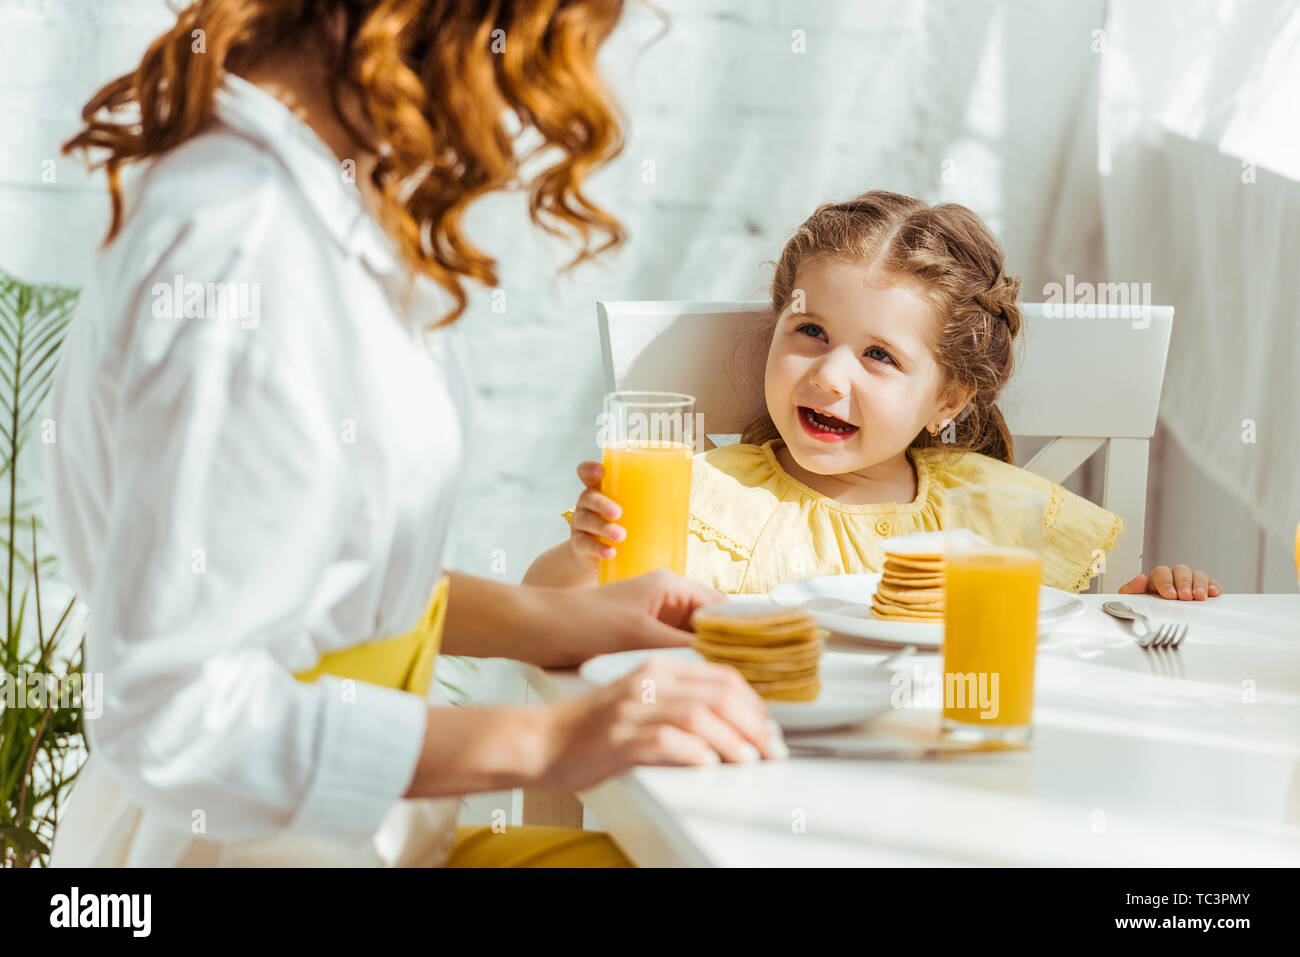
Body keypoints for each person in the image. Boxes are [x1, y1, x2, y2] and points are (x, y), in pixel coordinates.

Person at [45, 0, 782, 869]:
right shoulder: (246, 251)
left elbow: (317, 576)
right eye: (538, 53)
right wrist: (546, 741)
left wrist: (556, 618)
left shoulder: (305, 199)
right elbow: (173, 717)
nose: (527, 105)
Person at [525, 191, 1222, 600]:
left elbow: (1066, 653)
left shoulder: (994, 510)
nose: (829, 377)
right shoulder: (697, 499)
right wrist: (587, 559)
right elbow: (545, 608)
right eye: (810, 331)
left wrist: (1141, 608)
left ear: (949, 399)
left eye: (880, 355)